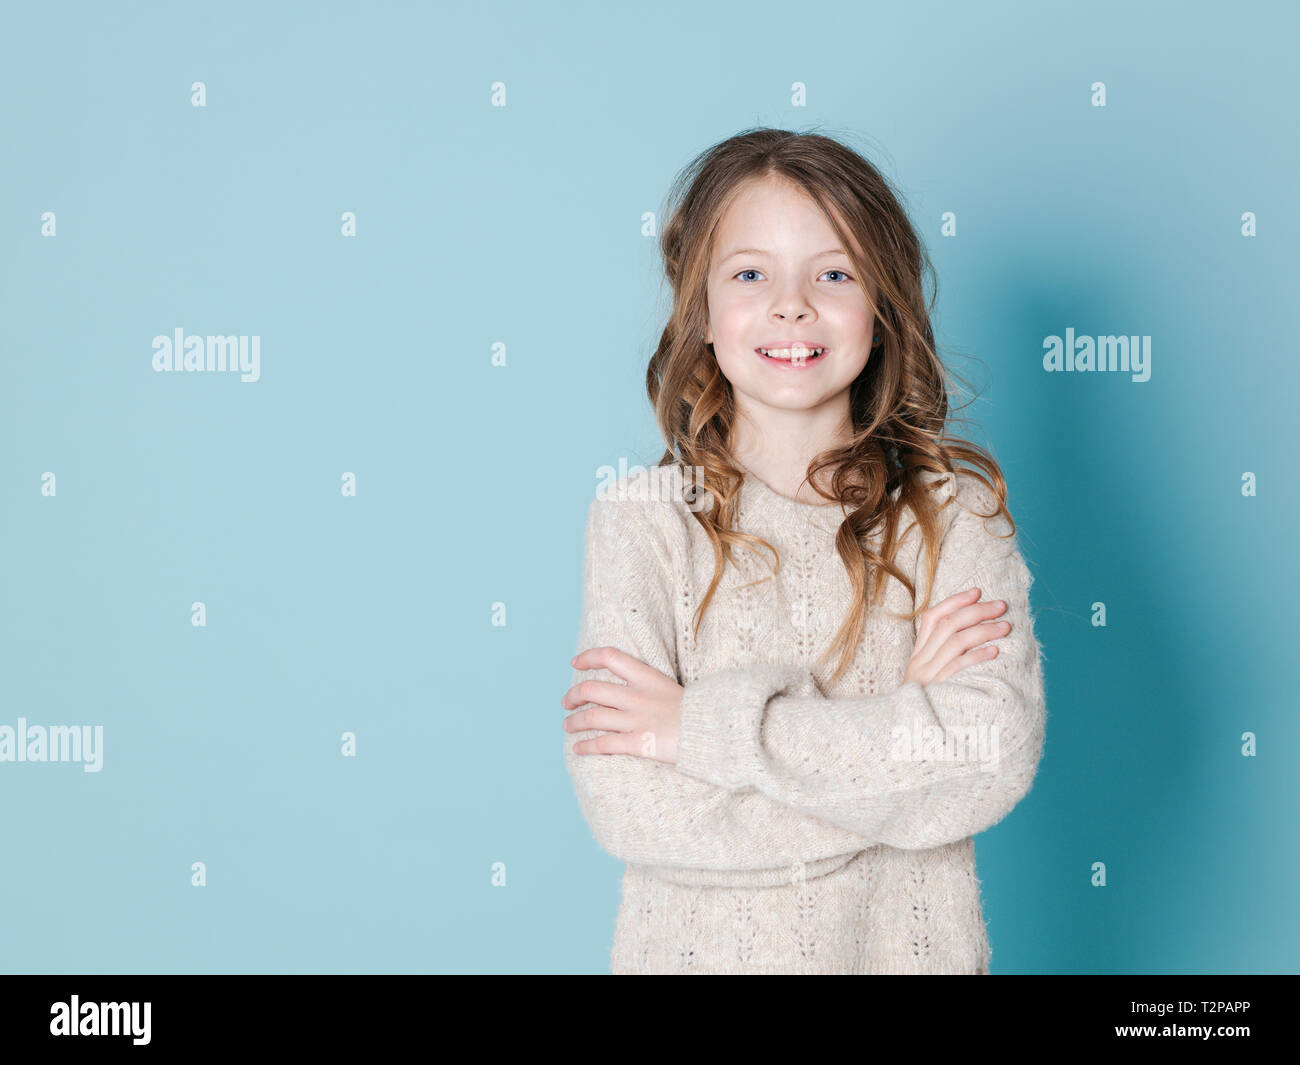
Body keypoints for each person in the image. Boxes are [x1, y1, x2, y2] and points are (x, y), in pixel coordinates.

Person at [560, 127, 1047, 975]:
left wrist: (698, 731)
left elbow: (990, 751)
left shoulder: (956, 515)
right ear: (702, 313)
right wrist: (902, 745)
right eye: (751, 274)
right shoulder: (640, 519)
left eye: (834, 273)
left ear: (881, 307)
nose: (792, 305)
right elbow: (628, 804)